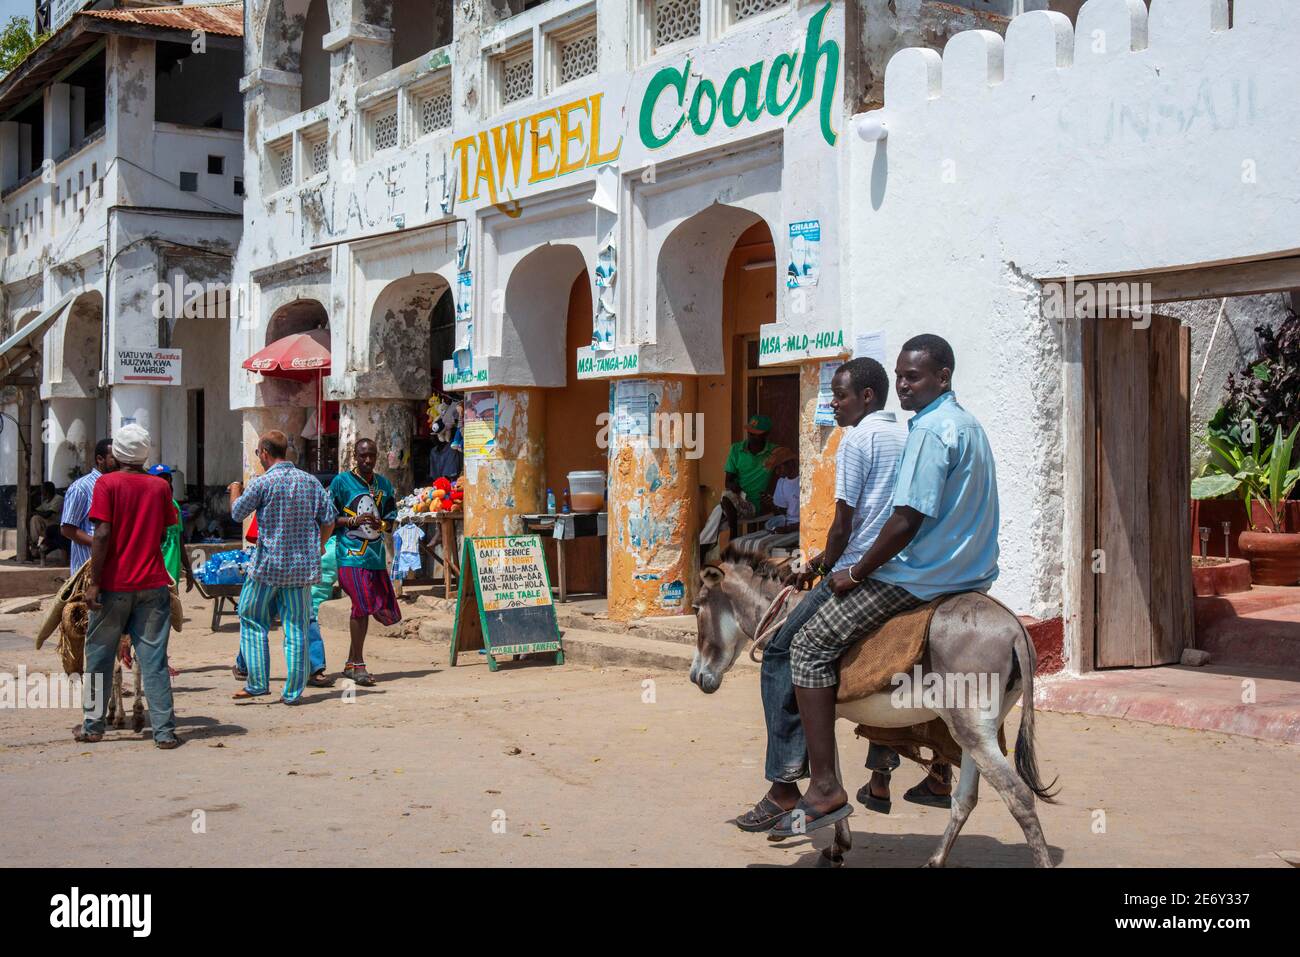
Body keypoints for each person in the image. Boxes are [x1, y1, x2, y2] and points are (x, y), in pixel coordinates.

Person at [771, 335, 1000, 838]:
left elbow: (904, 521)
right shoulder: (966, 425)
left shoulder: (930, 431)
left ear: (943, 377)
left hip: (921, 575)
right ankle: (926, 771)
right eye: (900, 376)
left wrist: (853, 572)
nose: (904, 385)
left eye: (913, 376)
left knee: (806, 647)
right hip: (974, 573)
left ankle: (824, 786)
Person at [734, 357, 906, 831]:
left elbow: (844, 526)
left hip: (858, 570)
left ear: (866, 397)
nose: (833, 402)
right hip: (903, 571)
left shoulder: (856, 440)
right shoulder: (906, 435)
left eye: (841, 394)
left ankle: (788, 784)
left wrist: (819, 567)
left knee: (781, 651)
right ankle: (881, 765)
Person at [76, 423, 181, 749]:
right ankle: (164, 732)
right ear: (145, 453)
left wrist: (94, 582)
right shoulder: (159, 488)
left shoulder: (106, 484)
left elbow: (103, 534)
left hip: (113, 585)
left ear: (117, 453)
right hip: (153, 585)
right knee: (154, 661)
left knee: (98, 658)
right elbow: (164, 533)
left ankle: (93, 727)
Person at [228, 431, 336, 705]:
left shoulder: (263, 483)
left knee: (251, 617)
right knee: (296, 627)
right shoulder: (309, 482)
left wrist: (235, 491)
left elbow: (237, 513)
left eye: (257, 454)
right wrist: (320, 546)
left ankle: (257, 683)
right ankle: (292, 692)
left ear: (264, 452)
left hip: (268, 567)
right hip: (301, 569)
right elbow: (329, 519)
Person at [329, 438, 400, 687]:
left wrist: (381, 524)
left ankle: (350, 663)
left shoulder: (384, 484)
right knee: (361, 603)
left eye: (371, 455)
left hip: (375, 556)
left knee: (367, 605)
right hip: (348, 554)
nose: (367, 460)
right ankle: (359, 666)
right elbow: (328, 517)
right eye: (363, 456)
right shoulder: (341, 482)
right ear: (355, 457)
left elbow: (391, 517)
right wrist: (352, 522)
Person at [60, 439, 117, 574]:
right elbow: (67, 529)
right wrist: (99, 543)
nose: (119, 463)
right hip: (87, 568)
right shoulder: (81, 488)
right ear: (100, 459)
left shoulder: (117, 486)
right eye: (114, 458)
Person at [29, 481, 65, 561]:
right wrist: (32, 496)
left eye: (43, 490)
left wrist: (35, 512)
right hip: (48, 526)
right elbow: (36, 510)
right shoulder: (46, 502)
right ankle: (35, 544)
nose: (41, 492)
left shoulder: (58, 499)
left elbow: (47, 514)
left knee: (35, 518)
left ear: (47, 490)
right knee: (34, 519)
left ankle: (35, 544)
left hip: (57, 526)